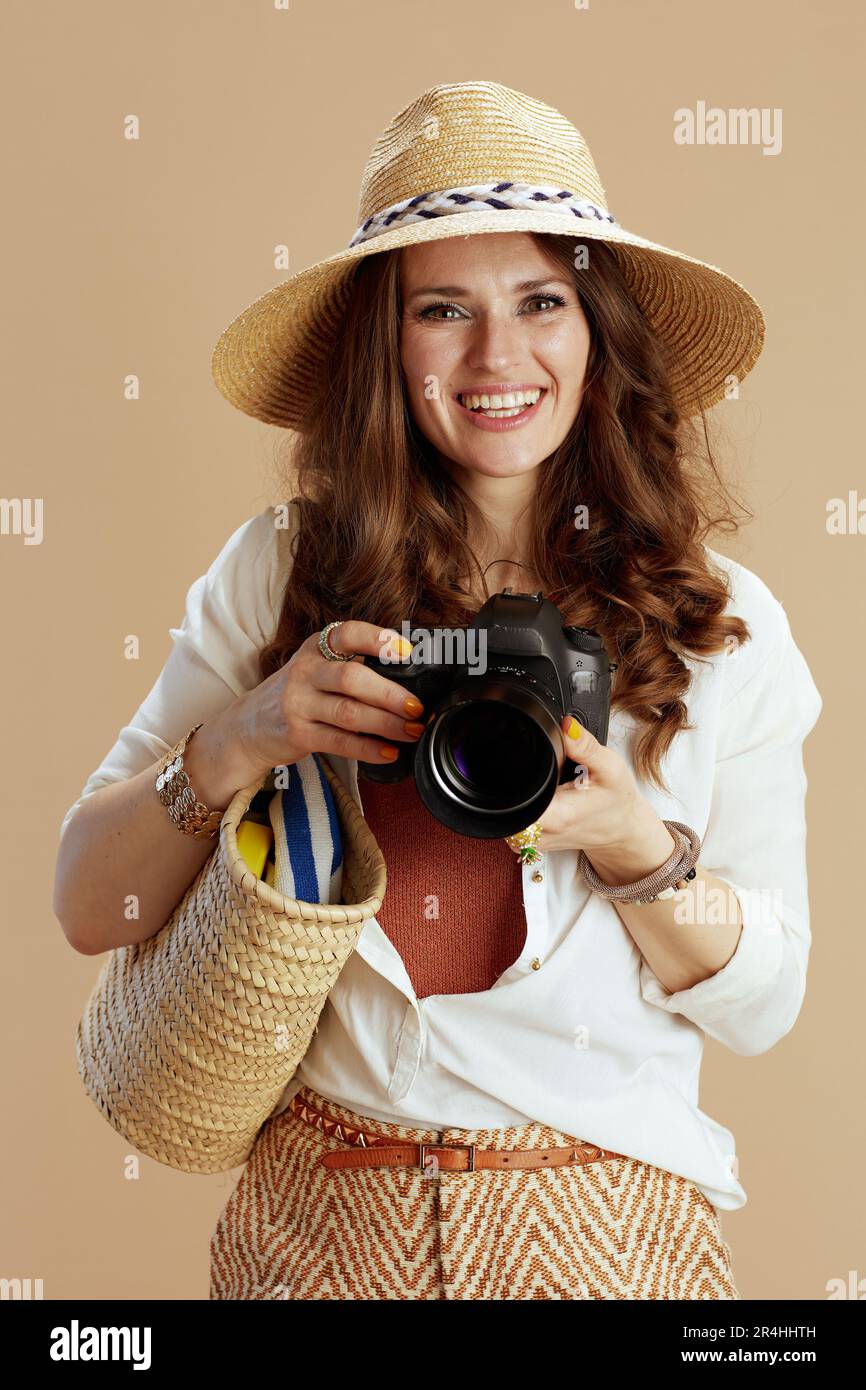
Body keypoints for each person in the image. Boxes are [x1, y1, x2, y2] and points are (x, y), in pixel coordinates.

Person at [54, 81, 822, 1300]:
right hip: (315, 1235)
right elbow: (91, 902)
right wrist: (244, 732)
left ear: (594, 331)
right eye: (442, 309)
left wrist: (634, 843)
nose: (495, 357)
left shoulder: (715, 621)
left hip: (610, 1236)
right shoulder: (283, 575)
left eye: (540, 302)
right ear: (388, 344)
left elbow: (763, 1004)